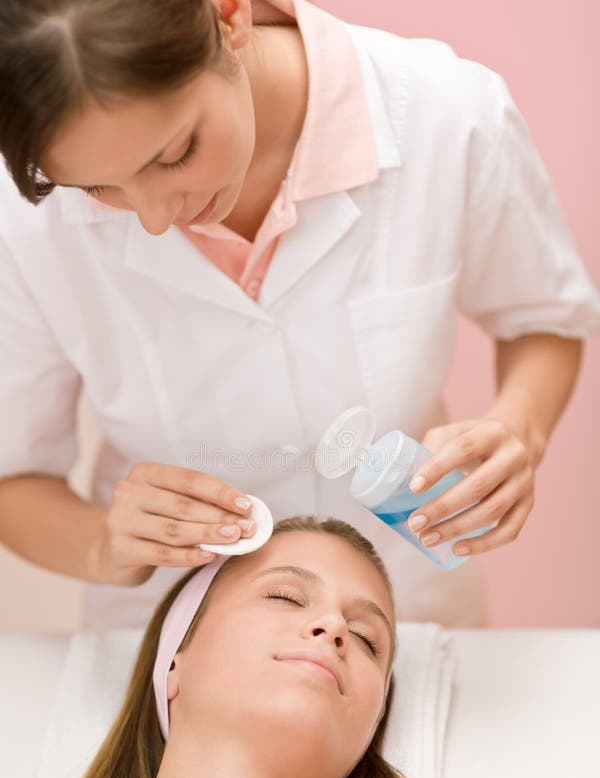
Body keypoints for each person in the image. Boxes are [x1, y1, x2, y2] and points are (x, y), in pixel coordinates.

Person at [0, 0, 598, 630]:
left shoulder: (446, 115)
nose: (153, 217)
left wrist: (517, 431)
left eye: (174, 154)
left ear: (230, 17)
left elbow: (542, 318)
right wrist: (102, 543)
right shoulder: (21, 218)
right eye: (98, 189)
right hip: (167, 631)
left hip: (402, 609)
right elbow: (13, 480)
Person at [20, 516, 549, 778]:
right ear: (174, 663)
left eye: (368, 640)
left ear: (372, 726)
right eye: (285, 597)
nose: (335, 628)